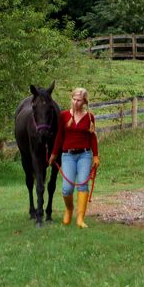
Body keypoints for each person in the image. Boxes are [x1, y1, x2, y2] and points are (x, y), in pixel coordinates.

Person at [49, 87, 100, 228]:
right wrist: (53, 154)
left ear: (84, 101)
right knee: (67, 188)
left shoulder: (90, 117)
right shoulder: (64, 115)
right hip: (68, 156)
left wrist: (96, 156)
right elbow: (59, 136)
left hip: (85, 155)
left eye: (79, 100)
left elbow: (93, 138)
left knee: (83, 185)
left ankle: (80, 219)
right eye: (74, 99)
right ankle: (69, 210)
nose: (76, 102)